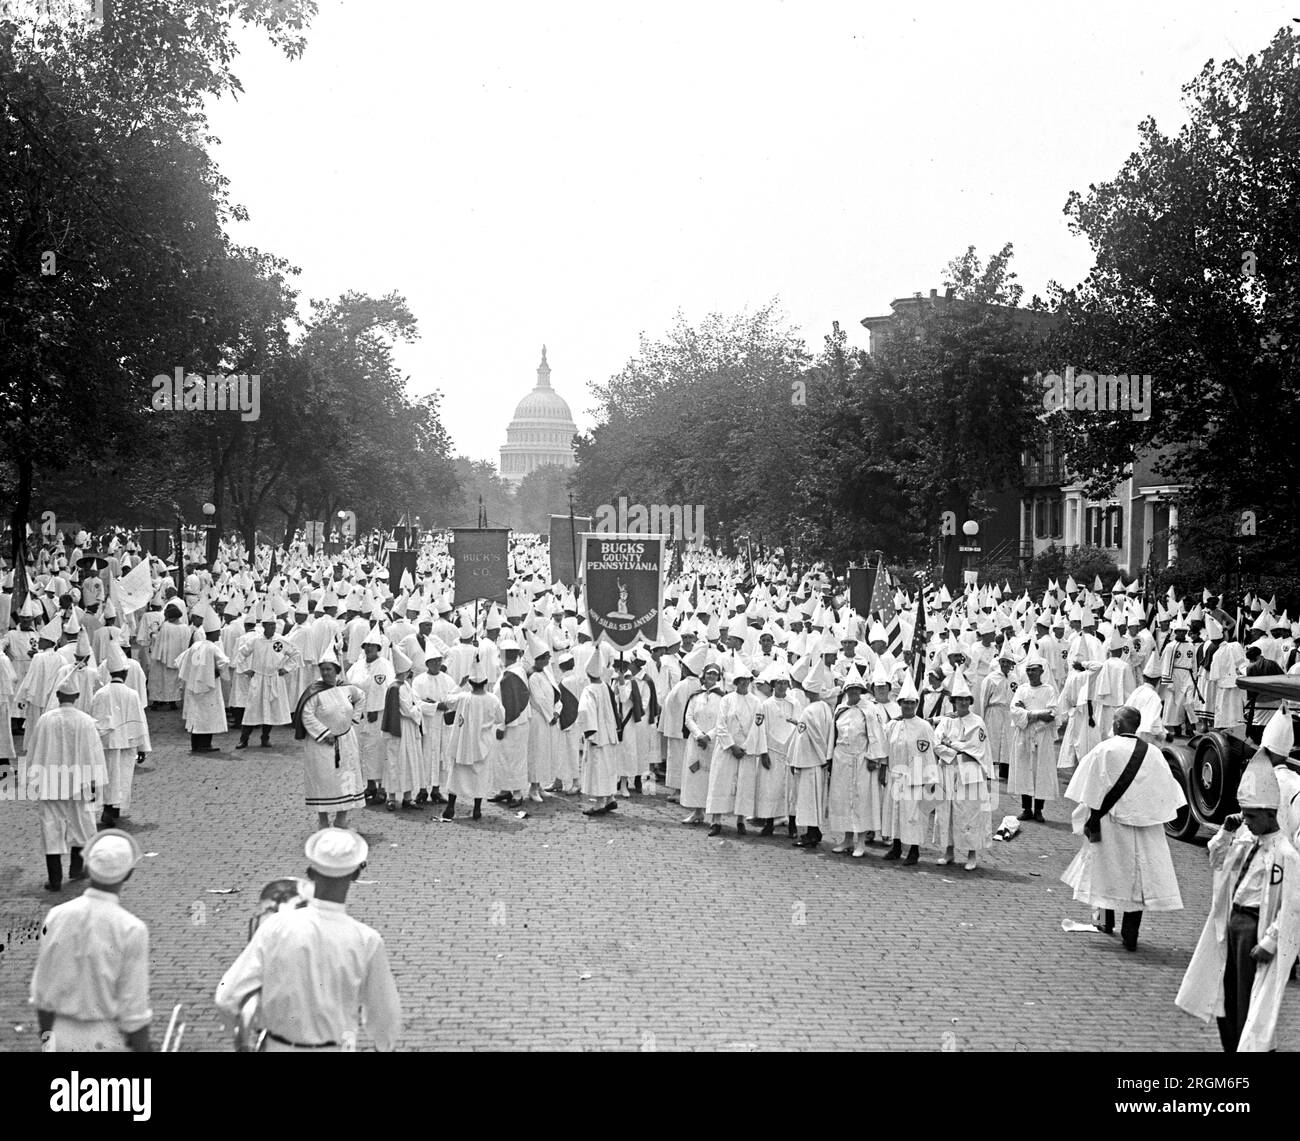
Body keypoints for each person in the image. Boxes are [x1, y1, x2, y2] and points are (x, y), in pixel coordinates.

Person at [215, 828, 401, 1051]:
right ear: (355, 875)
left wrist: (245, 1037)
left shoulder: (275, 926)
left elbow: (226, 996)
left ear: (310, 874)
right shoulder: (368, 940)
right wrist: (384, 1045)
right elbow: (385, 1014)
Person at [1175, 753, 1300, 1051]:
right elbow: (1216, 860)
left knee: (1251, 1000)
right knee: (1225, 995)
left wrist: (1271, 941)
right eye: (1244, 815)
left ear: (1271, 814)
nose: (1248, 822)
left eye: (1252, 817)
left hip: (1255, 926)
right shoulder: (1246, 840)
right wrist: (1226, 831)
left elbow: (1293, 904)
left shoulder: (1286, 854)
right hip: (1231, 922)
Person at [1061, 706, 1186, 951]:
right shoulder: (1154, 753)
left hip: (1111, 822)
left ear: (1117, 725)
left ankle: (1105, 921)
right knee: (1138, 880)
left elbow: (1087, 787)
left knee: (1107, 871)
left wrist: (1090, 816)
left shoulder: (1104, 749)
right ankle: (1131, 933)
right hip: (1145, 826)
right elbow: (1167, 792)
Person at [29, 829, 151, 1051]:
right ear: (128, 874)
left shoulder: (57, 915)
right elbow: (134, 1011)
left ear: (87, 867)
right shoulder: (131, 929)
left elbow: (42, 992)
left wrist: (48, 1041)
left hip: (60, 1033)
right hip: (106, 1039)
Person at [26, 670, 106, 891]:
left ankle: (54, 879)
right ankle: (76, 869)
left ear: (58, 696)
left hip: (50, 782)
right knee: (81, 824)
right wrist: (94, 782)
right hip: (78, 783)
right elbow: (94, 754)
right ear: (77, 696)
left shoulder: (44, 720)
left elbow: (33, 751)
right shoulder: (86, 721)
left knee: (51, 828)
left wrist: (33, 781)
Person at [292, 649, 366, 829]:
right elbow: (307, 715)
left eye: (329, 670)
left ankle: (341, 819)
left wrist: (354, 718)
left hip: (346, 741)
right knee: (323, 780)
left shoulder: (346, 688)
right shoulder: (314, 692)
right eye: (323, 669)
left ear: (336, 670)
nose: (325, 673)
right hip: (322, 745)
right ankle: (323, 820)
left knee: (347, 778)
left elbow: (361, 697)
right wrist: (324, 733)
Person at [932, 674, 991, 871]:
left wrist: (953, 744)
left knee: (969, 812)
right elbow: (936, 742)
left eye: (966, 700)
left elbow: (975, 747)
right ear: (954, 702)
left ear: (970, 702)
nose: (963, 703)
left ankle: (971, 854)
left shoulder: (977, 722)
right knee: (946, 811)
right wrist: (955, 750)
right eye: (959, 700)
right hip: (948, 769)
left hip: (969, 771)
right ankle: (948, 851)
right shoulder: (947, 721)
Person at [90, 643, 152, 828]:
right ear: (125, 673)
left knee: (109, 775)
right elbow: (140, 721)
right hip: (127, 742)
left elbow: (95, 720)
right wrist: (143, 747)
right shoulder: (132, 694)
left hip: (107, 743)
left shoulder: (100, 694)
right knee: (123, 776)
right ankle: (113, 808)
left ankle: (109, 807)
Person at [440, 652, 504, 822]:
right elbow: (500, 718)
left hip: (463, 744)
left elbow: (447, 700)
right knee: (479, 776)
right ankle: (477, 808)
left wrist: (459, 686)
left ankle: (451, 806)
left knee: (456, 774)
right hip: (482, 744)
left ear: (470, 683)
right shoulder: (492, 700)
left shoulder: (463, 697)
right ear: (484, 683)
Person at [706, 664, 764, 837]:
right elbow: (720, 725)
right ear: (736, 682)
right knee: (721, 782)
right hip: (727, 749)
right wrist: (732, 746)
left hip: (746, 751)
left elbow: (757, 727)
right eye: (741, 681)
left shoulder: (756, 702)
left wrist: (745, 747)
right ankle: (716, 821)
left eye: (747, 680)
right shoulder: (726, 700)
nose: (744, 683)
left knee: (743, 785)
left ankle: (740, 820)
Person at [234, 608, 300, 750]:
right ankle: (244, 739)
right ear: (263, 626)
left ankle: (265, 737)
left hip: (275, 678)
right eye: (270, 625)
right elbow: (241, 654)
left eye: (274, 625)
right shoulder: (256, 640)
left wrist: (286, 669)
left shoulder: (281, 640)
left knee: (270, 709)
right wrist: (246, 669)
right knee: (252, 709)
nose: (272, 628)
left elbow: (295, 655)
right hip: (259, 678)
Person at [789, 662, 836, 850]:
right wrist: (825, 756)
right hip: (818, 760)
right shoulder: (825, 708)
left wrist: (813, 757)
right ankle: (814, 830)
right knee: (816, 798)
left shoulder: (810, 710)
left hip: (809, 760)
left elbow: (811, 736)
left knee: (808, 799)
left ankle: (810, 833)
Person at [1008, 654, 1058, 822]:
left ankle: (1038, 809)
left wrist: (1028, 714)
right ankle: (1027, 808)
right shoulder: (1021, 689)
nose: (1030, 673)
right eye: (1028, 670)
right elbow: (1015, 711)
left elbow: (1051, 714)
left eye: (1034, 670)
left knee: (1040, 771)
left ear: (1041, 671)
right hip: (1024, 735)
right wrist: (1037, 713)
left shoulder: (1048, 690)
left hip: (1041, 736)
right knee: (1024, 769)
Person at [174, 609, 229, 752]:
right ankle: (205, 744)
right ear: (213, 633)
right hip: (209, 687)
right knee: (208, 715)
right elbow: (224, 663)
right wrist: (216, 673)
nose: (219, 634)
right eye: (218, 632)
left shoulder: (195, 646)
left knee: (196, 715)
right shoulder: (213, 647)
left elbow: (180, 661)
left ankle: (195, 744)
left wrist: (192, 674)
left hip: (194, 686)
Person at [578, 655, 622, 816]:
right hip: (609, 733)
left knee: (597, 769)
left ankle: (599, 803)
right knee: (608, 767)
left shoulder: (589, 689)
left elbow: (585, 711)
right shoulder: (605, 686)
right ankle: (610, 798)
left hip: (598, 734)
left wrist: (590, 732)